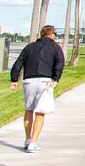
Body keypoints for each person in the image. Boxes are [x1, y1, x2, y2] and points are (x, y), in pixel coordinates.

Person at [9, 24, 66, 153]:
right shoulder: (55, 47)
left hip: (28, 81)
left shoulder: (29, 47)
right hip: (44, 82)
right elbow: (60, 63)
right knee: (40, 112)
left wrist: (14, 80)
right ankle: (33, 143)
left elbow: (18, 63)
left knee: (29, 110)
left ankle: (28, 139)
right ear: (52, 35)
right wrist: (55, 79)